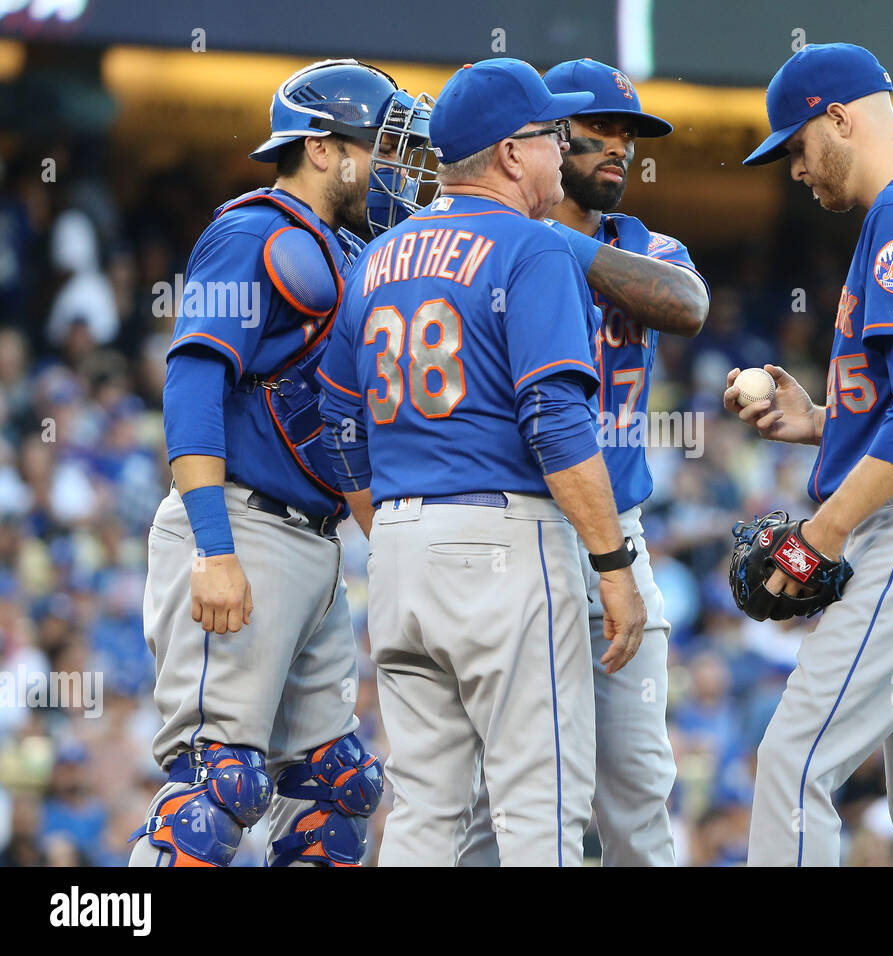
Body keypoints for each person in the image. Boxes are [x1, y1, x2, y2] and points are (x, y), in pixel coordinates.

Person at [317, 57, 648, 867]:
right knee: (542, 813)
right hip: (506, 544)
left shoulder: (378, 257)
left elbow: (332, 414)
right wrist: (613, 565)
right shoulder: (534, 248)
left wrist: (390, 525)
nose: (559, 151)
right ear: (510, 154)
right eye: (550, 137)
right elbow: (556, 421)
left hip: (398, 550)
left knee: (429, 812)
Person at [130, 59, 430, 867]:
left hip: (318, 542)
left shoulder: (340, 247)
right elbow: (193, 382)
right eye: (381, 148)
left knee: (337, 790)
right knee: (215, 787)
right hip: (243, 527)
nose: (396, 170)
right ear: (325, 148)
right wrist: (212, 545)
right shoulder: (252, 231)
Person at [729, 42, 893, 866]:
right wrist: (823, 423)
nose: (795, 171)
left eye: (797, 148)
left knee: (792, 762)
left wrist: (825, 532)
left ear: (839, 118)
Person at [456, 57, 709, 868]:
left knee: (637, 790)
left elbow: (688, 306)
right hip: (513, 526)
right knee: (497, 797)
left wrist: (555, 242)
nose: (620, 149)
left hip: (616, 530)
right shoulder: (487, 241)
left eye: (630, 135)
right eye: (600, 131)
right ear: (546, 139)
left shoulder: (643, 242)